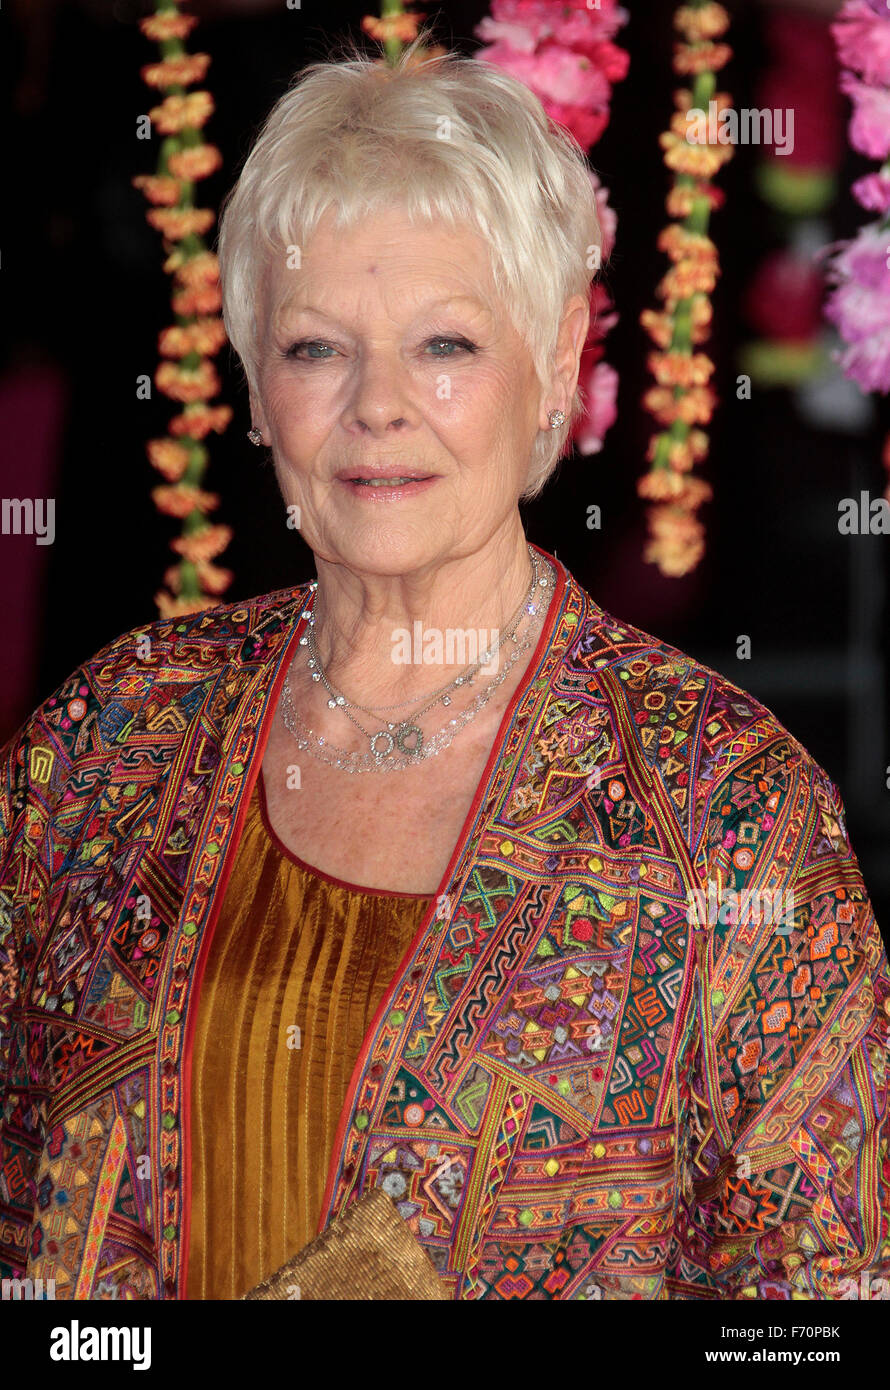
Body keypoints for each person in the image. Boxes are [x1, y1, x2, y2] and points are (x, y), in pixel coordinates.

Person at [1, 39, 888, 1303]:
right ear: (252, 382)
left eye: (445, 347)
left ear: (553, 367)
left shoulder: (728, 813)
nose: (376, 406)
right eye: (315, 348)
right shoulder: (99, 741)